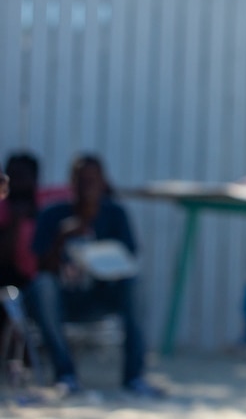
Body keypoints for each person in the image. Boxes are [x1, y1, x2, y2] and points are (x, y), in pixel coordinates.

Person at [24, 153, 163, 398]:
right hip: (63, 299)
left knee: (136, 284)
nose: (87, 186)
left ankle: (134, 377)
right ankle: (65, 375)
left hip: (99, 297)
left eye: (93, 180)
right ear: (71, 183)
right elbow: (39, 266)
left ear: (103, 183)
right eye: (81, 180)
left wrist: (98, 259)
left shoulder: (115, 214)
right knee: (42, 285)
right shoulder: (53, 214)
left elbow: (127, 261)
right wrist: (62, 238)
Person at [0, 151, 40, 289]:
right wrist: (15, 221)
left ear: (34, 178)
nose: (14, 183)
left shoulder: (47, 210)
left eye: (20, 176)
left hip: (38, 283)